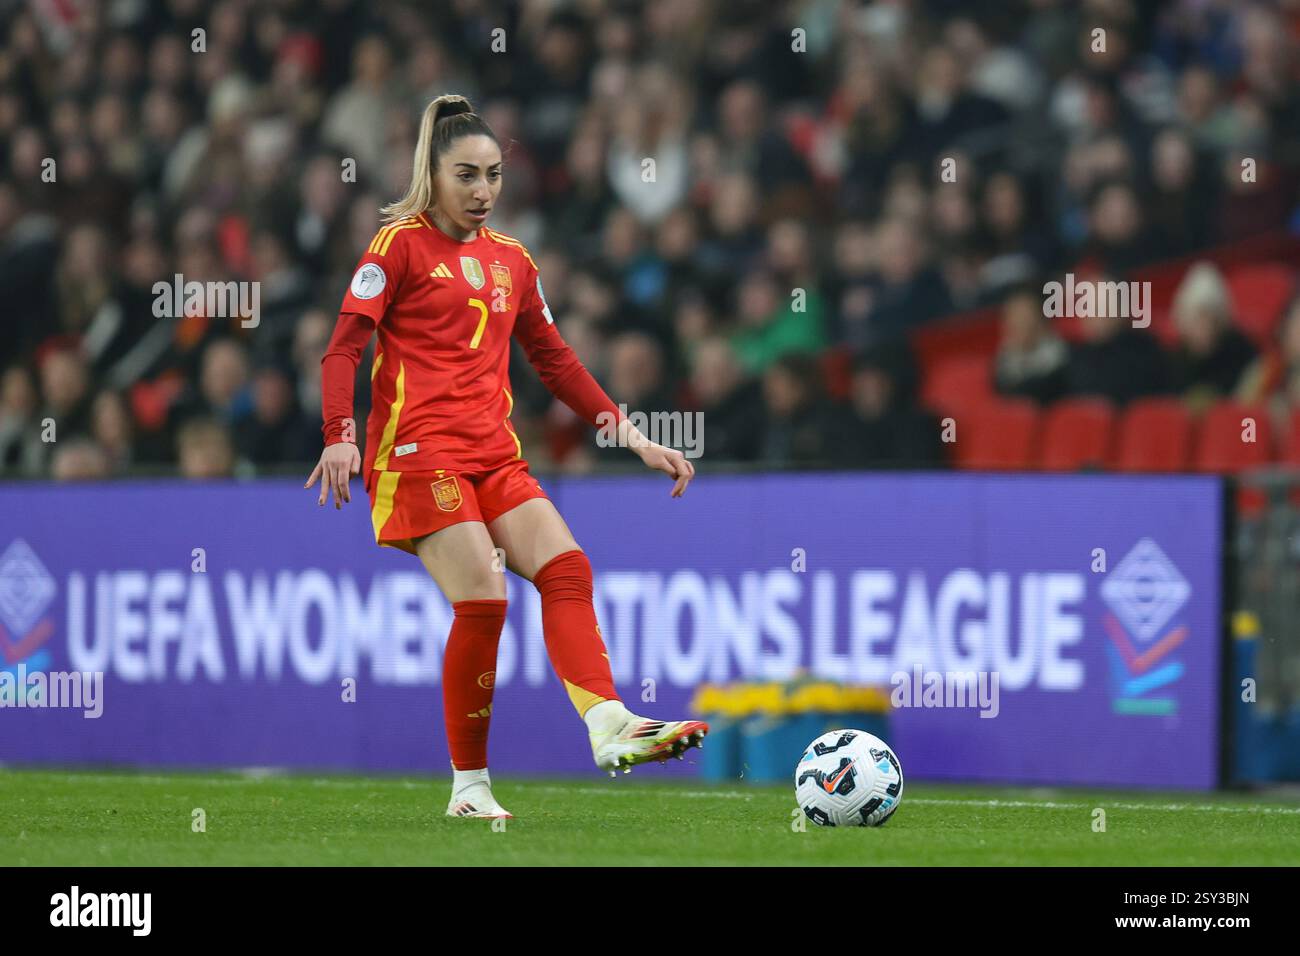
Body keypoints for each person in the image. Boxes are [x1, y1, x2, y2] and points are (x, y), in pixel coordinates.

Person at [306, 95, 705, 820]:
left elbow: (555, 360)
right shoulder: (396, 246)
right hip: (418, 458)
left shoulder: (513, 262)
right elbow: (343, 347)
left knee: (567, 568)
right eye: (466, 175)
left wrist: (633, 435)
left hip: (495, 457)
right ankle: (469, 787)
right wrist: (341, 433)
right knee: (486, 599)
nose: (483, 191)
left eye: (492, 175)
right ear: (432, 172)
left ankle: (608, 724)